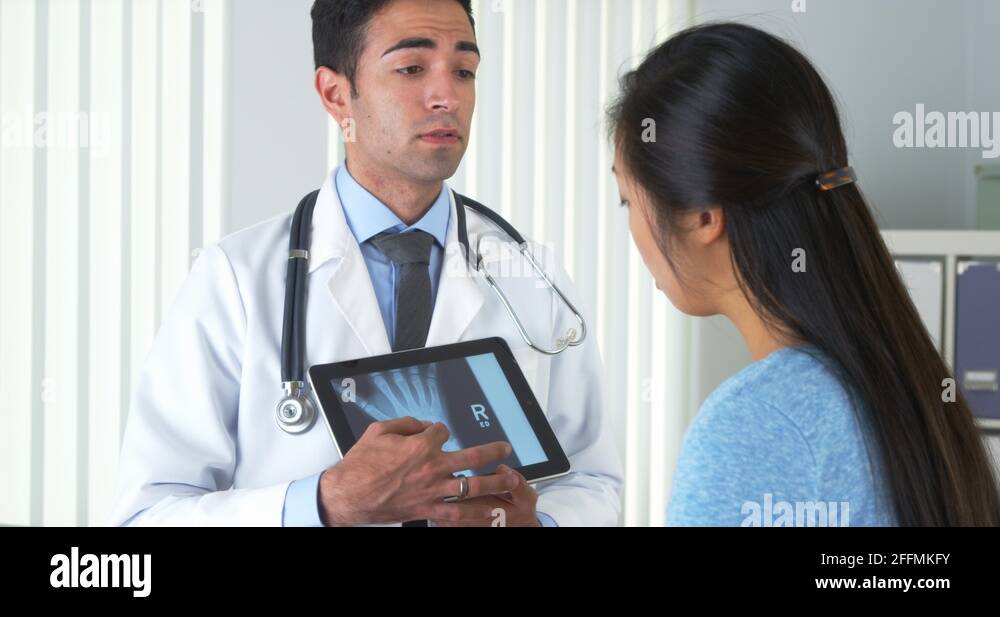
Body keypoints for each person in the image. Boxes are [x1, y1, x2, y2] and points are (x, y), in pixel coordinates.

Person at [110, 0, 622, 528]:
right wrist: (323, 504)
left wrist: (538, 527)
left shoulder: (530, 276)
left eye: (465, 71)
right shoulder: (235, 278)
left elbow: (592, 480)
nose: (447, 97)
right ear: (336, 94)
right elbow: (147, 515)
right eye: (411, 69)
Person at [607, 22, 1000, 526]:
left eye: (627, 201)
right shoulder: (907, 385)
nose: (633, 229)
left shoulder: (756, 423)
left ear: (704, 216)